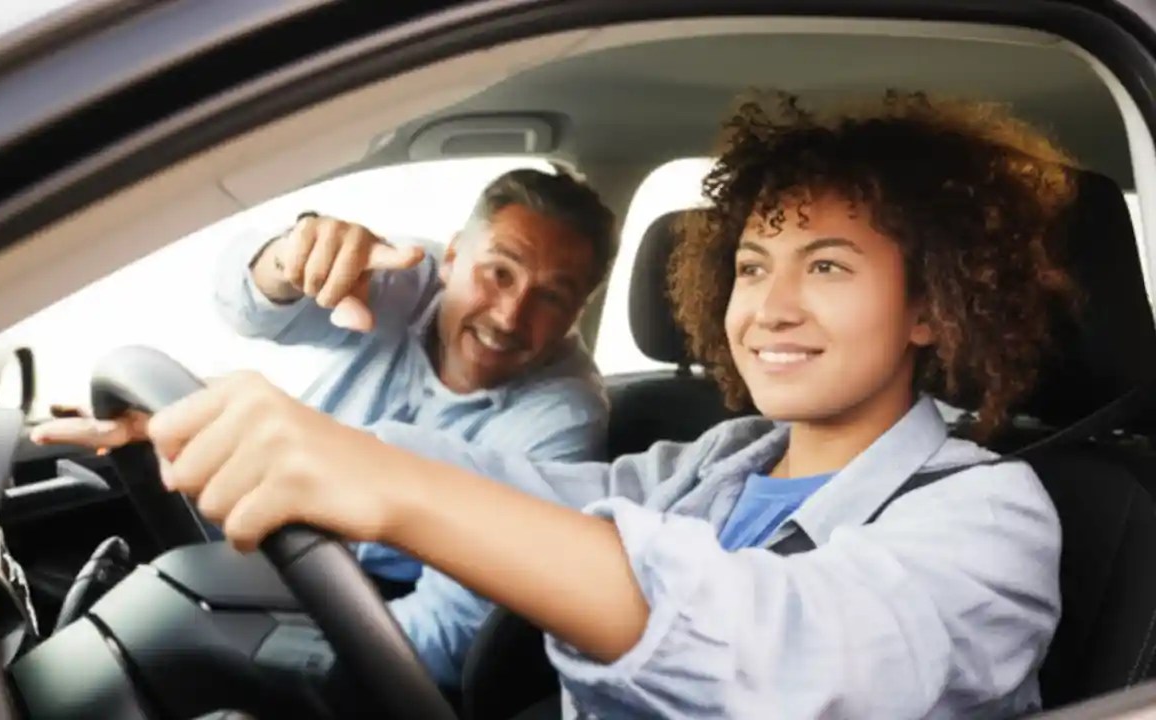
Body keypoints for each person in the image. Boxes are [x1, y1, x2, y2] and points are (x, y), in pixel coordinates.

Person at [55, 91, 1079, 718]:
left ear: (929, 311)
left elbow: (799, 661)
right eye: (752, 264)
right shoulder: (720, 460)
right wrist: (248, 434)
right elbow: (531, 487)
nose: (767, 307)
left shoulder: (988, 513)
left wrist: (393, 490)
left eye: (824, 266)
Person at [31, 167, 617, 685]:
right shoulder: (403, 275)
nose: (510, 315)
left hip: (369, 603)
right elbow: (241, 303)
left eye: (551, 298)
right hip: (252, 542)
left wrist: (266, 652)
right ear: (454, 258)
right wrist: (288, 259)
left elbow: (447, 633)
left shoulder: (564, 417)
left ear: (576, 315)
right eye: (500, 273)